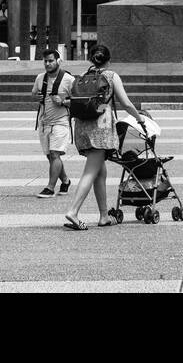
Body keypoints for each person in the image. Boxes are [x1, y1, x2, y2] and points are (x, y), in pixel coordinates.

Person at [63, 45, 147, 230]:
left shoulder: (84, 77)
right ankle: (73, 212)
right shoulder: (111, 76)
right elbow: (125, 102)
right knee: (90, 172)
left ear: (91, 59)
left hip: (83, 128)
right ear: (109, 59)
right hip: (100, 130)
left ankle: (103, 216)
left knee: (100, 172)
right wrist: (140, 119)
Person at [30, 49, 74, 198]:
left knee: (55, 154)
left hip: (61, 122)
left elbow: (78, 101)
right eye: (45, 61)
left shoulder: (68, 80)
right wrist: (37, 96)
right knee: (51, 156)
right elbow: (33, 93)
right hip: (44, 122)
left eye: (51, 61)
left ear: (58, 61)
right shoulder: (40, 78)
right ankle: (66, 181)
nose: (48, 64)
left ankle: (50, 187)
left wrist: (63, 102)